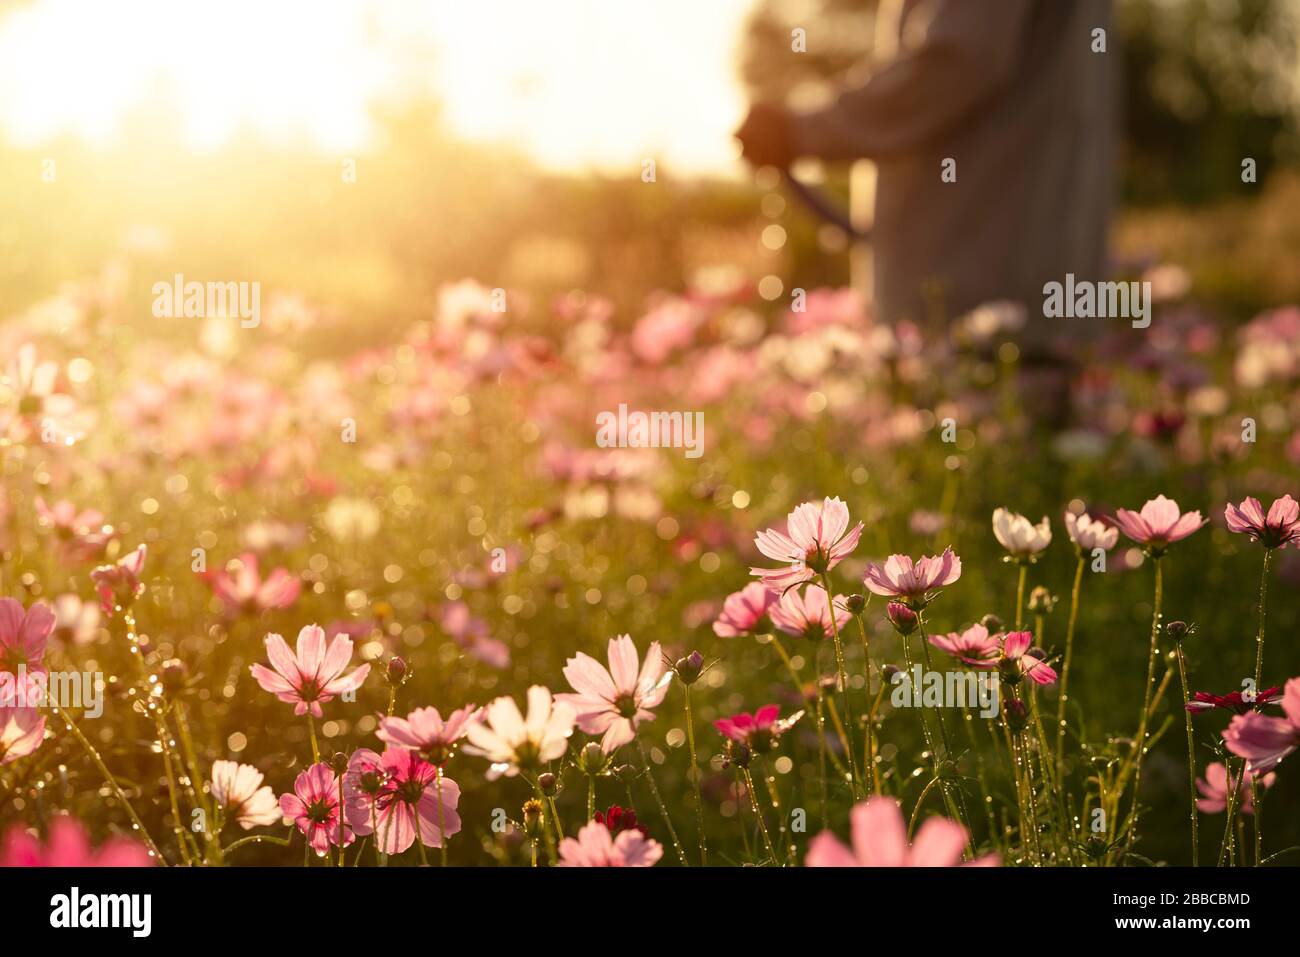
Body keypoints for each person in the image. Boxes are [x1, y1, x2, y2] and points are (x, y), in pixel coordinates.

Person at [736, 0, 1119, 386]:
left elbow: (957, 63)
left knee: (970, 434)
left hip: (968, 309)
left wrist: (803, 131)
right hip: (1029, 301)